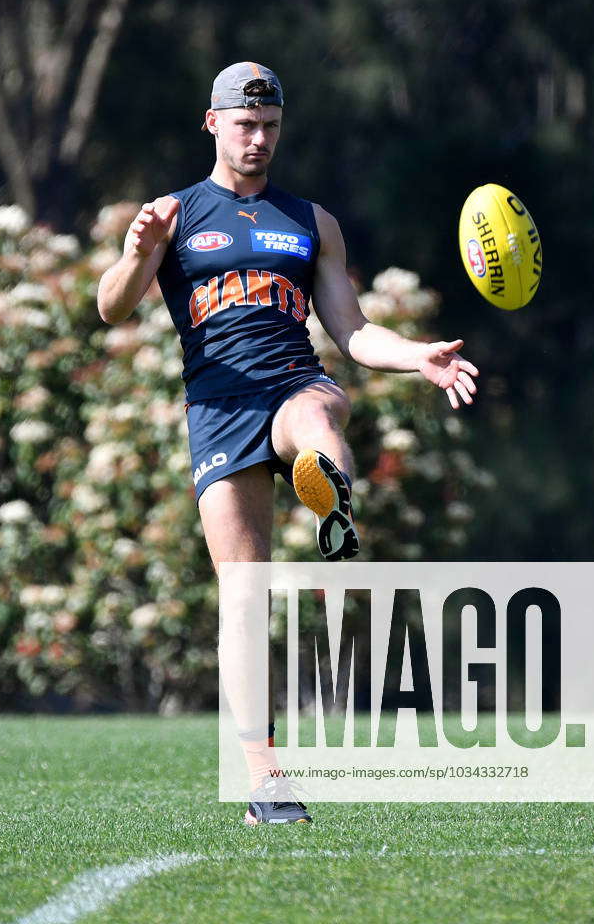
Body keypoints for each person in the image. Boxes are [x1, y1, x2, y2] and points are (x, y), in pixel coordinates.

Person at [97, 61, 479, 826]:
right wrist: (139, 253)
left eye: (270, 127)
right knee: (242, 599)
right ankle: (266, 785)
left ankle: (331, 512)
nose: (258, 139)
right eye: (244, 125)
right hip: (215, 409)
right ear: (213, 123)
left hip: (289, 382)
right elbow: (110, 308)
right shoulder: (172, 213)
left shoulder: (310, 222)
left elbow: (354, 331)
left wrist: (419, 359)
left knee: (319, 414)